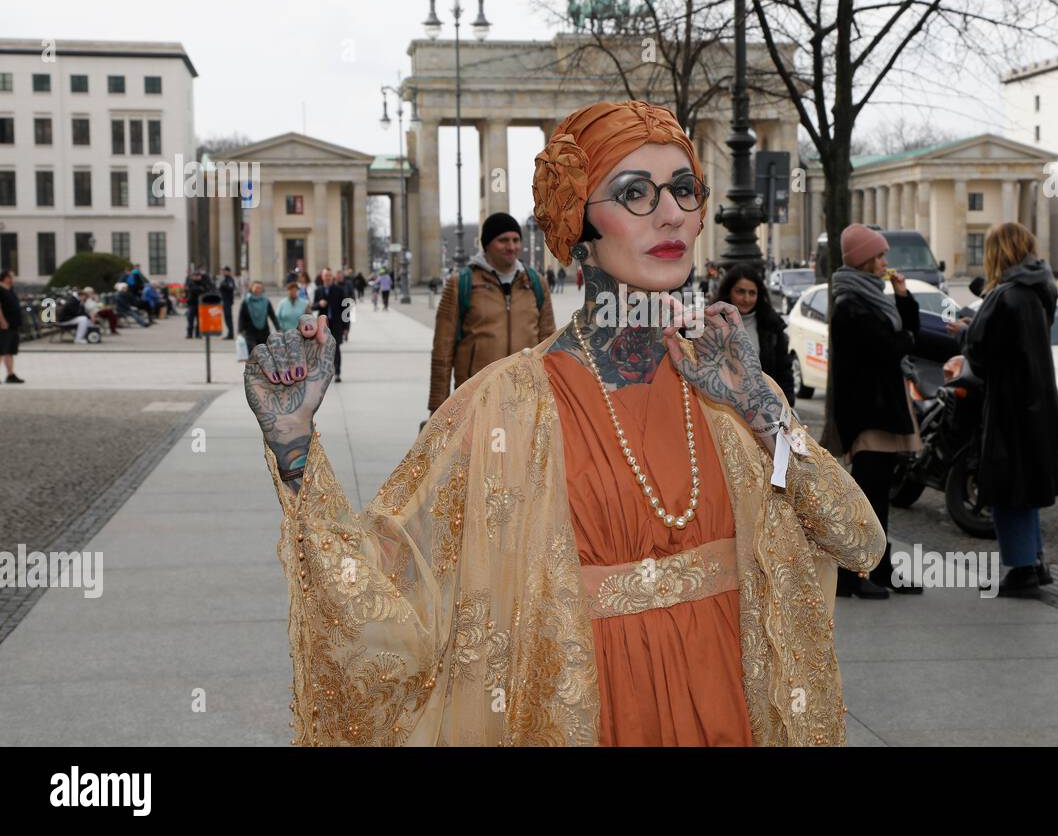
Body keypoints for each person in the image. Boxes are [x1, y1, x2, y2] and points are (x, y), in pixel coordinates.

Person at [244, 99, 886, 746]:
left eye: (684, 190)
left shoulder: (736, 390)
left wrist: (768, 414)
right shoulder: (502, 404)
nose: (670, 213)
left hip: (731, 713)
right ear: (574, 220)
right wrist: (296, 450)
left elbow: (860, 542)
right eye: (634, 192)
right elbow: (390, 601)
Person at [961, 222, 1058, 597]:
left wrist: (965, 330)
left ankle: (1021, 569)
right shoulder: (1039, 290)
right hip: (1037, 404)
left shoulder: (1006, 295)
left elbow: (981, 352)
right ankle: (1033, 561)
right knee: (1028, 487)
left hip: (1010, 406)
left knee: (1009, 488)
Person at [828, 225, 925, 599]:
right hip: (869, 413)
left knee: (878, 495)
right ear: (864, 260)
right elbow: (890, 348)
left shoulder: (873, 297)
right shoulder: (851, 304)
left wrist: (903, 297)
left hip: (883, 409)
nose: (886, 263)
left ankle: (880, 570)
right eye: (880, 256)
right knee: (866, 499)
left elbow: (905, 335)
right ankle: (856, 574)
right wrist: (905, 340)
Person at [427, 212, 557, 415]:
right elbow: (442, 351)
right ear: (487, 244)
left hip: (524, 398)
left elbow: (549, 346)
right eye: (503, 240)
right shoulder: (459, 285)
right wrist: (438, 407)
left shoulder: (535, 283)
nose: (511, 246)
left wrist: (552, 399)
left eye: (516, 240)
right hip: (477, 399)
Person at [713, 263, 795, 405]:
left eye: (752, 293)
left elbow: (784, 370)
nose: (746, 299)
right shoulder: (712, 323)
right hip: (722, 408)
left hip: (765, 410)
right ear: (729, 291)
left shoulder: (772, 326)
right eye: (740, 291)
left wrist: (787, 405)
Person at [238, 281, 279, 352]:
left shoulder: (266, 301)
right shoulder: (246, 301)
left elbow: (272, 315)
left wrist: (278, 327)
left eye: (260, 288)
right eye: (256, 288)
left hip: (264, 331)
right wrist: (240, 330)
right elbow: (241, 316)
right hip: (250, 331)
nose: (258, 290)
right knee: (252, 353)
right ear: (251, 289)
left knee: (264, 353)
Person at [0, 270, 25, 382]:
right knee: (1, 350)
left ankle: (10, 374)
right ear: (5, 278)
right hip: (4, 325)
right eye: (11, 277)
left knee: (10, 351)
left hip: (13, 324)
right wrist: (2, 321)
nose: (13, 279)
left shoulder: (10, 290)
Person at [184, 267, 208, 339]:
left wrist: (200, 289)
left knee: (199, 320)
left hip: (200, 304)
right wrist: (200, 289)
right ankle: (189, 334)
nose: (197, 277)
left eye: (198, 276)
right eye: (195, 276)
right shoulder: (191, 282)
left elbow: (205, 290)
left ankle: (198, 334)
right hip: (192, 303)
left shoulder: (203, 282)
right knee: (190, 319)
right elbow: (195, 290)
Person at [219, 266, 237, 339]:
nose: (223, 272)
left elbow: (231, 288)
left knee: (228, 318)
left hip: (227, 301)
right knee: (227, 318)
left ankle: (231, 334)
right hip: (224, 301)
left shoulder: (229, 279)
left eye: (224, 271)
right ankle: (230, 334)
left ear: (228, 272)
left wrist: (224, 285)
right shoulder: (225, 279)